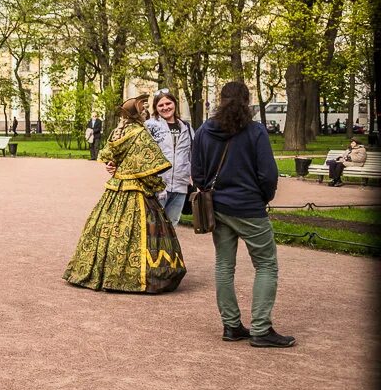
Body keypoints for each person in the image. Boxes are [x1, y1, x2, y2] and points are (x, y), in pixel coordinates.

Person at [192, 80, 294, 348]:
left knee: (224, 266)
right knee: (266, 264)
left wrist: (210, 191)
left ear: (220, 100)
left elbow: (197, 173)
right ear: (247, 101)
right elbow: (268, 174)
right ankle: (261, 329)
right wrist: (264, 197)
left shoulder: (203, 131)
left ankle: (231, 326)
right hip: (249, 207)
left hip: (218, 208)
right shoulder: (255, 131)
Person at [63, 93, 186, 294]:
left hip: (116, 187)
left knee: (107, 229)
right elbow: (149, 168)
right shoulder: (140, 133)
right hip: (137, 190)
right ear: (138, 113)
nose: (146, 111)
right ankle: (134, 276)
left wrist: (115, 167)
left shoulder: (118, 132)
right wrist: (157, 185)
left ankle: (104, 272)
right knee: (140, 232)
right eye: (143, 108)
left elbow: (108, 156)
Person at [144, 90, 195, 226]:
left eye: (168, 103)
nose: (165, 107)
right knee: (152, 226)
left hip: (180, 185)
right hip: (157, 186)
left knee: (171, 227)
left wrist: (191, 176)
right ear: (155, 108)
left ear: (175, 104)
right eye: (161, 105)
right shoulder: (150, 126)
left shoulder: (186, 127)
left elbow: (192, 153)